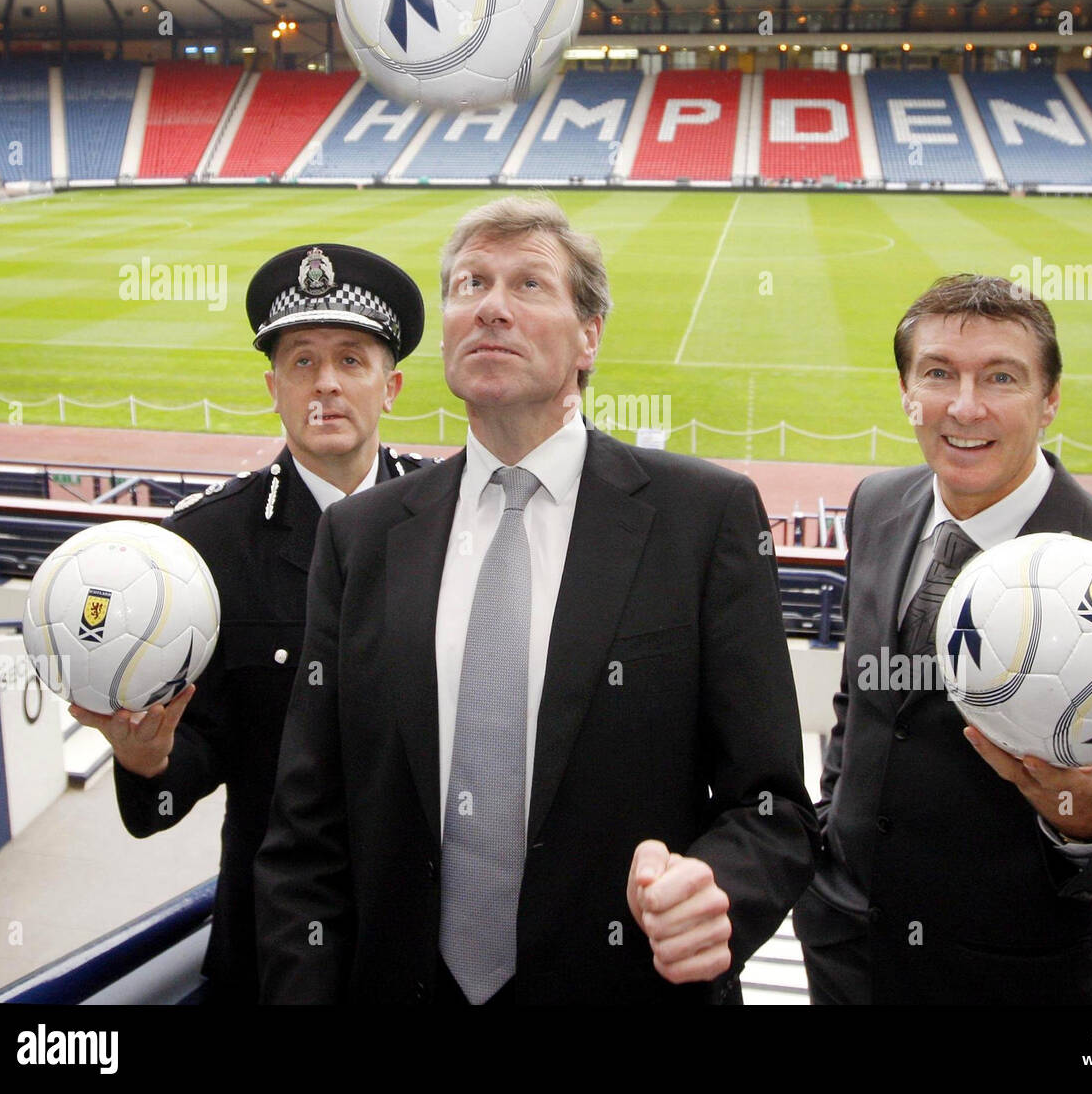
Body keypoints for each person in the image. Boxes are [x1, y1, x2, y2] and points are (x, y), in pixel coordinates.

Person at [255, 197, 818, 1005]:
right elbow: (305, 832)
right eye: (469, 283)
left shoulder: (704, 518)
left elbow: (773, 809)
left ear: (589, 335)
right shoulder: (362, 537)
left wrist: (713, 888)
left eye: (528, 285)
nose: (490, 305)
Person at [794, 273, 1092, 1005]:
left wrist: (1089, 824)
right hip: (843, 948)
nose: (965, 406)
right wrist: (830, 840)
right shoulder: (876, 504)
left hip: (1003, 978)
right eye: (938, 374)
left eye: (1001, 377)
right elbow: (860, 707)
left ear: (1050, 399)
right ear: (905, 390)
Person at [70, 243, 429, 1002]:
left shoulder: (456, 517)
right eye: (301, 362)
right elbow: (183, 767)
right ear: (273, 387)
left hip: (434, 936)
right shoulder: (202, 547)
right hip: (274, 948)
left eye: (351, 360)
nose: (325, 383)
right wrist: (145, 760)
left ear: (391, 386)